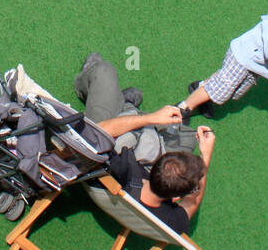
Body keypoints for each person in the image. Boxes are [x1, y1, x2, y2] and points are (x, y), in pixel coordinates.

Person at [74, 53, 215, 236]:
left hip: (98, 152)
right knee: (184, 136)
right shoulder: (171, 223)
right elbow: (191, 204)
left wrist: (152, 118)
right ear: (176, 198)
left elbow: (100, 132)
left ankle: (120, 104)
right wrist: (206, 157)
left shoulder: (121, 166)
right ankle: (126, 105)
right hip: (120, 190)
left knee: (103, 71)